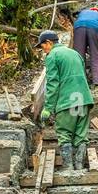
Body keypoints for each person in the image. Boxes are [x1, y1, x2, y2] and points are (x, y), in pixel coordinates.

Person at [38, 30, 94, 170]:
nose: (42, 49)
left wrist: (48, 108)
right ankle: (80, 167)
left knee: (64, 133)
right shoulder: (74, 53)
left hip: (67, 101)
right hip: (82, 99)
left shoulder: (52, 56)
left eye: (42, 46)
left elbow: (52, 83)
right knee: (81, 135)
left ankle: (68, 168)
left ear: (49, 43)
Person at [71, 6, 98, 86]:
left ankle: (80, 81)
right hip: (95, 27)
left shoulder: (82, 13)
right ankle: (97, 82)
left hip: (78, 27)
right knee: (96, 57)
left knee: (78, 56)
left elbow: (78, 35)